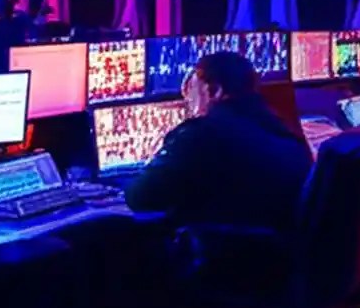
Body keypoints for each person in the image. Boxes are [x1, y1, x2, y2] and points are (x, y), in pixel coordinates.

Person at [125, 51, 313, 232]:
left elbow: (140, 197)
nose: (189, 106)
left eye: (192, 96)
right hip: (278, 258)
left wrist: (155, 161)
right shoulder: (285, 133)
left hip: (220, 258)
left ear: (214, 91)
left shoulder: (201, 135)